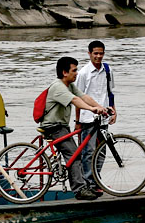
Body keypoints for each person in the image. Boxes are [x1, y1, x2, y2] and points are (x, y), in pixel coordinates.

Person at [38, 56, 110, 200]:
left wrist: (100, 107)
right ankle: (79, 190)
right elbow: (75, 100)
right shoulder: (58, 86)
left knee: (74, 154)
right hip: (53, 127)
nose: (77, 73)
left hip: (61, 126)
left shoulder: (69, 85)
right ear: (65, 72)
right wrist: (92, 109)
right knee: (74, 154)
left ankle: (84, 185)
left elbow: (83, 96)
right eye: (74, 70)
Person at [75, 40, 117, 191]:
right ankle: (89, 183)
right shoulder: (83, 73)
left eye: (101, 53)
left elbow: (110, 92)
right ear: (89, 54)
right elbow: (77, 98)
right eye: (95, 53)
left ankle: (97, 180)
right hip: (88, 118)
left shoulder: (107, 70)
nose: (98, 56)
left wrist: (114, 110)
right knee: (88, 152)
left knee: (102, 150)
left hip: (103, 117)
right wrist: (78, 120)